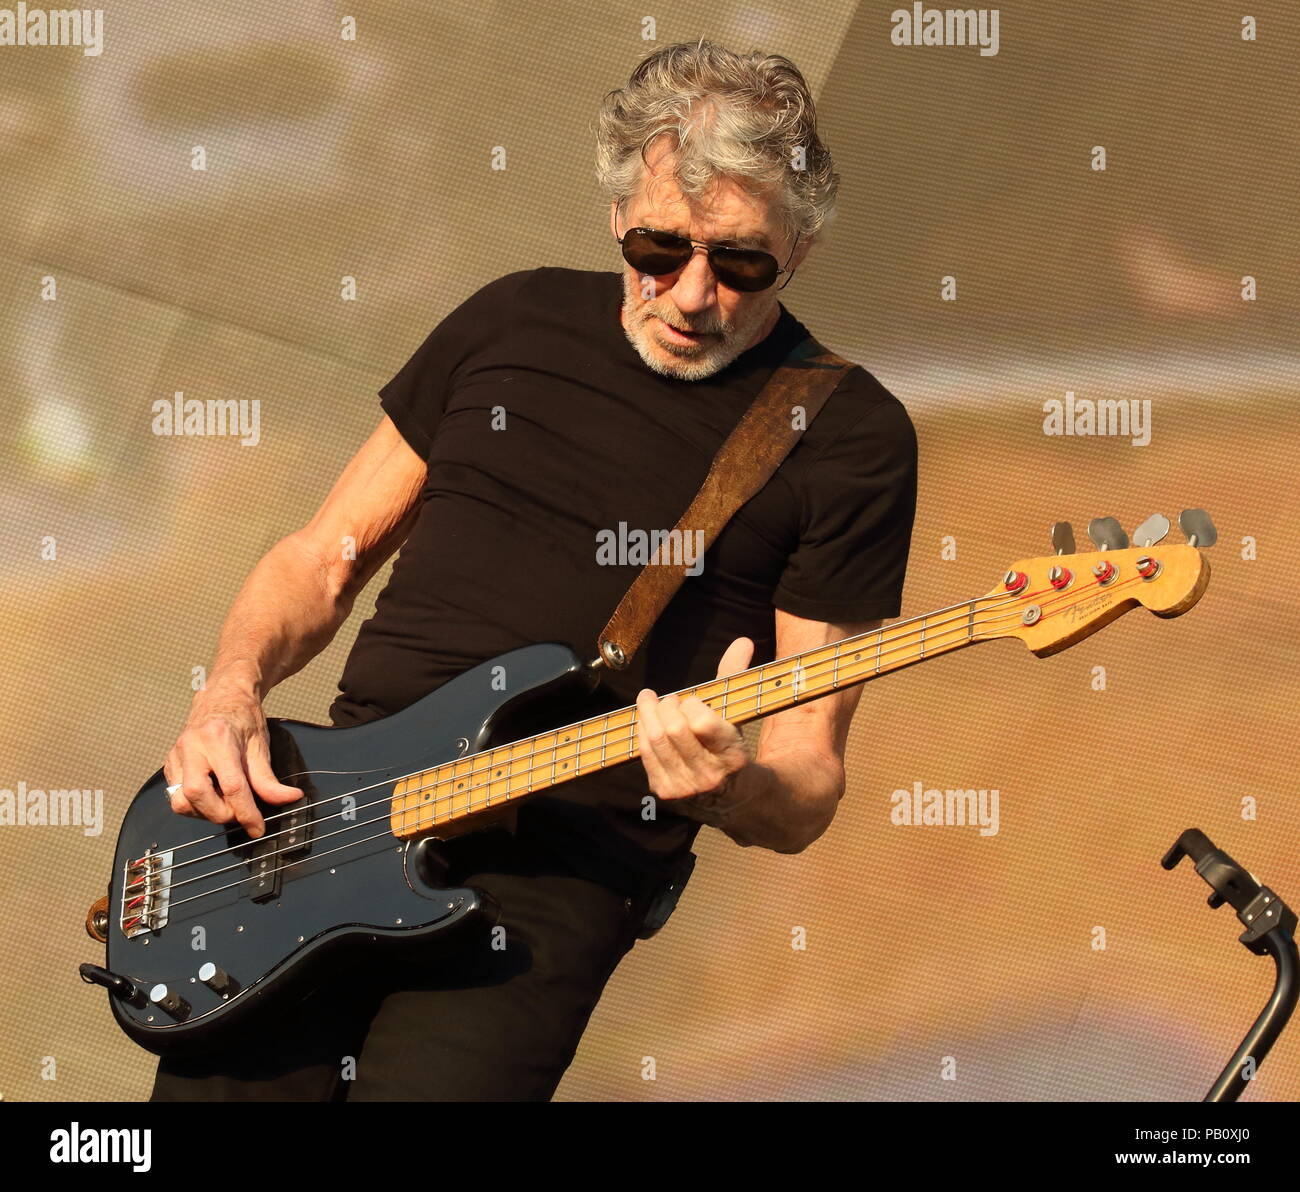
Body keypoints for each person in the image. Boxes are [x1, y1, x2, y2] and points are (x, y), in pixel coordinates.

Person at [149, 39, 917, 1102]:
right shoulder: (510, 319)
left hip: (553, 881)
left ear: (802, 251)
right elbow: (320, 558)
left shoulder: (849, 436)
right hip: (320, 821)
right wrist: (230, 691)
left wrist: (731, 785)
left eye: (741, 263)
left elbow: (808, 780)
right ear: (615, 213)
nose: (693, 294)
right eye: (661, 248)